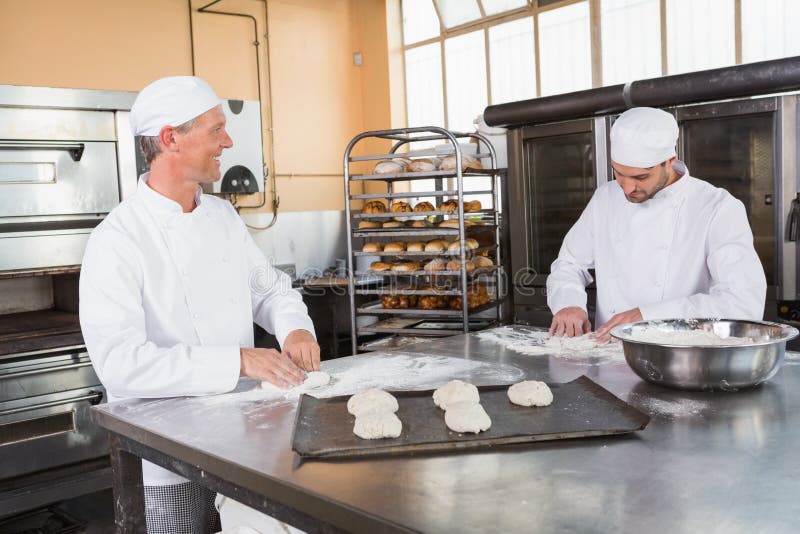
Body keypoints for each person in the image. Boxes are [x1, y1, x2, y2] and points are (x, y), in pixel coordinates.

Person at [79, 76, 319, 534]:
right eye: (216, 131)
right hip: (166, 457)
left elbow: (268, 289)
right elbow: (120, 364)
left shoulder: (222, 216)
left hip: (242, 442)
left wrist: (294, 328)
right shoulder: (118, 239)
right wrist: (239, 361)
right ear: (171, 138)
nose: (227, 142)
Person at [547, 106, 767, 340]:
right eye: (618, 173)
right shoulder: (605, 198)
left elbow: (743, 303)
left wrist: (647, 316)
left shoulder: (717, 207)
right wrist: (568, 303)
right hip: (609, 354)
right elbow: (569, 263)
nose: (627, 188)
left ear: (669, 161)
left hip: (682, 360)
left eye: (640, 177)